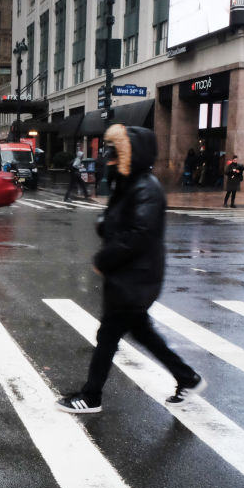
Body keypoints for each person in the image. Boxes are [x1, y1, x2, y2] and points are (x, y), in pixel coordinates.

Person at [56, 124, 206, 414]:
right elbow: (116, 225)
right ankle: (187, 378)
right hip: (130, 277)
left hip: (135, 278)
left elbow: (137, 236)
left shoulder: (146, 188)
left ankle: (91, 397)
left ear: (131, 154)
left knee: (108, 337)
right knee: (143, 333)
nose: (108, 156)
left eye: (114, 151)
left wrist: (104, 260)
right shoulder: (129, 184)